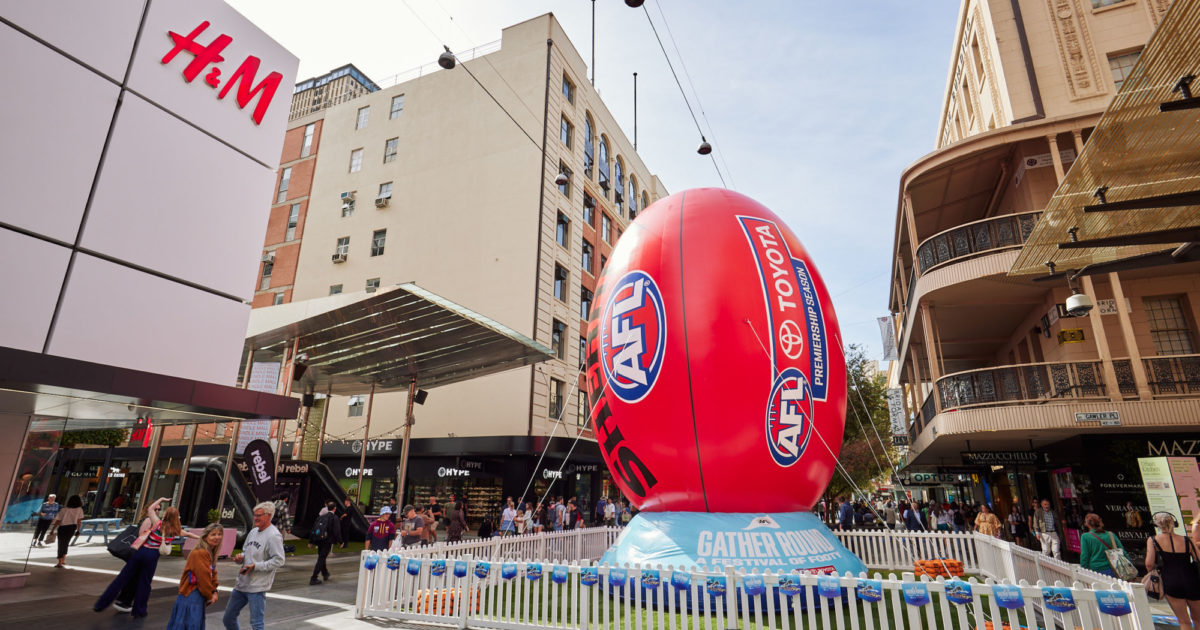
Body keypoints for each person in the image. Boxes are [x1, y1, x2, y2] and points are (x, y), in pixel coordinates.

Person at [94, 498, 189, 616]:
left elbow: (151, 513)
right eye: (157, 509)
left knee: (125, 579)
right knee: (142, 583)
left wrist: (161, 500)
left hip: (141, 553)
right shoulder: (156, 522)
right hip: (147, 553)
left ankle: (105, 603)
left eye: (160, 509)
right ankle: (137, 609)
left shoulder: (156, 522)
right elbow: (142, 536)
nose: (158, 511)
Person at [223, 502, 285, 630]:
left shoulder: (274, 536)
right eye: (254, 515)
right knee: (228, 618)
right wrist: (240, 557)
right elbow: (246, 551)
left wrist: (255, 566)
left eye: (259, 515)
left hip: (257, 587)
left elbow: (279, 560)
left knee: (256, 624)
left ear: (268, 516)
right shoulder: (253, 532)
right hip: (242, 584)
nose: (255, 518)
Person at [1147, 512, 1200, 629]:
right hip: (1192, 579)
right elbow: (1198, 558)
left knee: (1184, 621)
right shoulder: (1187, 540)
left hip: (1170, 580)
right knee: (1198, 619)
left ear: (1157, 525)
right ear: (1174, 523)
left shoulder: (1153, 540)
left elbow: (1149, 564)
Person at [165, 522, 223, 630]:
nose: (217, 537)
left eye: (219, 534)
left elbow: (213, 573)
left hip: (197, 594)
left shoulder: (209, 552)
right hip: (191, 594)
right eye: (213, 534)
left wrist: (214, 590)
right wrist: (210, 595)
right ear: (205, 537)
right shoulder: (200, 553)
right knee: (189, 625)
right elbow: (203, 578)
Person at [1079, 513, 1128, 577]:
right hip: (1114, 569)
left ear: (1087, 524)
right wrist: (1128, 566)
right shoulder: (1111, 534)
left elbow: (1084, 556)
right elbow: (1122, 551)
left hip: (1096, 571)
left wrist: (1084, 569)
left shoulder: (1085, 536)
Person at [308, 502, 341, 585]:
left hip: (319, 540)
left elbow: (313, 528)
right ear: (335, 508)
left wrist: (311, 541)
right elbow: (336, 531)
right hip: (327, 541)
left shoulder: (321, 517)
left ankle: (325, 573)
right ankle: (313, 578)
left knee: (321, 557)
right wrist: (341, 542)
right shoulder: (334, 518)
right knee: (321, 558)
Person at [48, 494, 83, 568]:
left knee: (61, 544)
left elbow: (58, 521)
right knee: (66, 543)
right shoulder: (79, 509)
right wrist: (78, 530)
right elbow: (79, 521)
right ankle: (63, 559)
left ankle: (60, 562)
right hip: (72, 528)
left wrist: (52, 530)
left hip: (63, 528)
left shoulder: (64, 510)